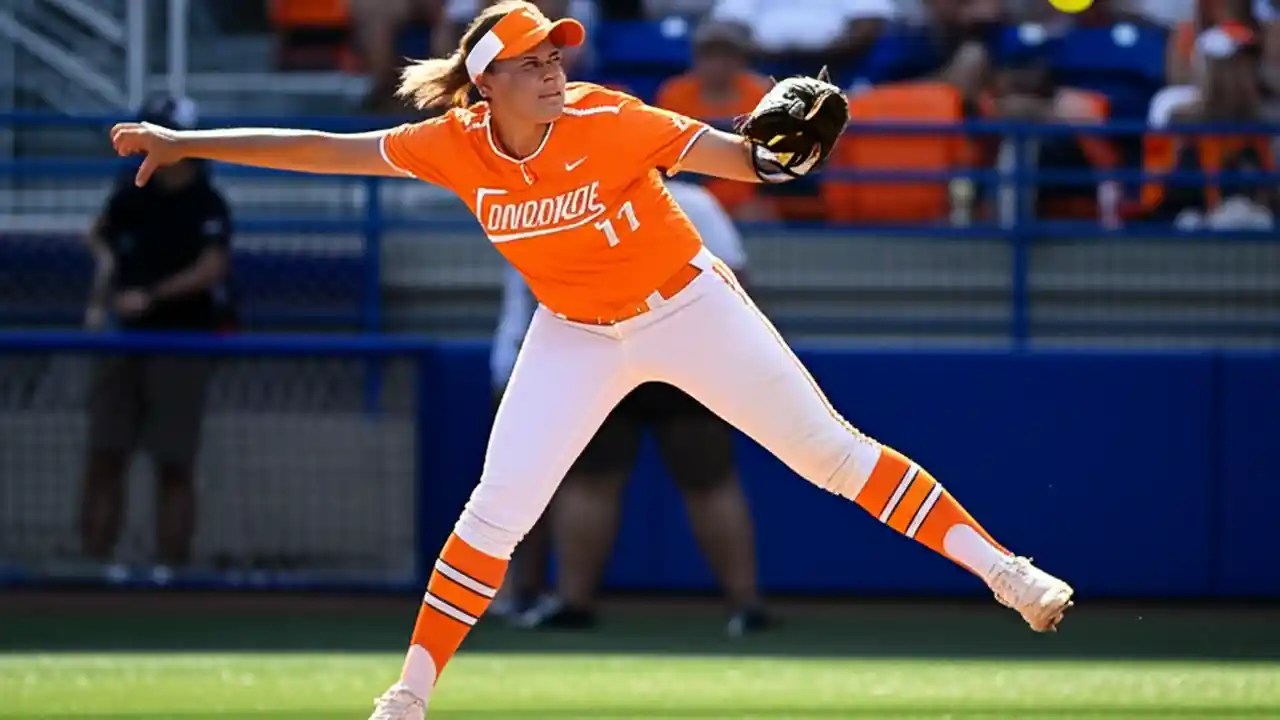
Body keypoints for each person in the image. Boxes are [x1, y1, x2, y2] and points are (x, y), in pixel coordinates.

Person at [108, 3, 1074, 717]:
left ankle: (1005, 573)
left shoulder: (610, 120)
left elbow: (742, 163)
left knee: (831, 454)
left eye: (555, 51)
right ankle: (406, 698)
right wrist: (183, 139)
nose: (554, 68)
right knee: (495, 511)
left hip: (687, 307)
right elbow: (324, 148)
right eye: (531, 61)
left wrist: (786, 155)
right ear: (487, 82)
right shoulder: (453, 146)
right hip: (572, 329)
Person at [491, 179, 767, 636]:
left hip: (600, 350)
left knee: (594, 481)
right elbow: (735, 281)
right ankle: (745, 603)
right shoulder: (692, 201)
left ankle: (574, 601)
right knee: (709, 479)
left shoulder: (559, 201)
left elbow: (540, 289)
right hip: (683, 353)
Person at [83, 95, 233, 570]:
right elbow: (99, 236)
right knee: (106, 453)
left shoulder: (206, 201)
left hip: (181, 340)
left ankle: (172, 573)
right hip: (125, 336)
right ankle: (92, 571)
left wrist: (151, 296)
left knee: (174, 460)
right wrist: (102, 294)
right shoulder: (131, 193)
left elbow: (212, 268)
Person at [655, 21, 775, 220]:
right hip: (688, 194)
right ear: (696, 59)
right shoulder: (674, 94)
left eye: (727, 55)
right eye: (710, 55)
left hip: (743, 197)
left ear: (741, 59)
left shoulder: (762, 93)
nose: (719, 64)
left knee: (760, 213)